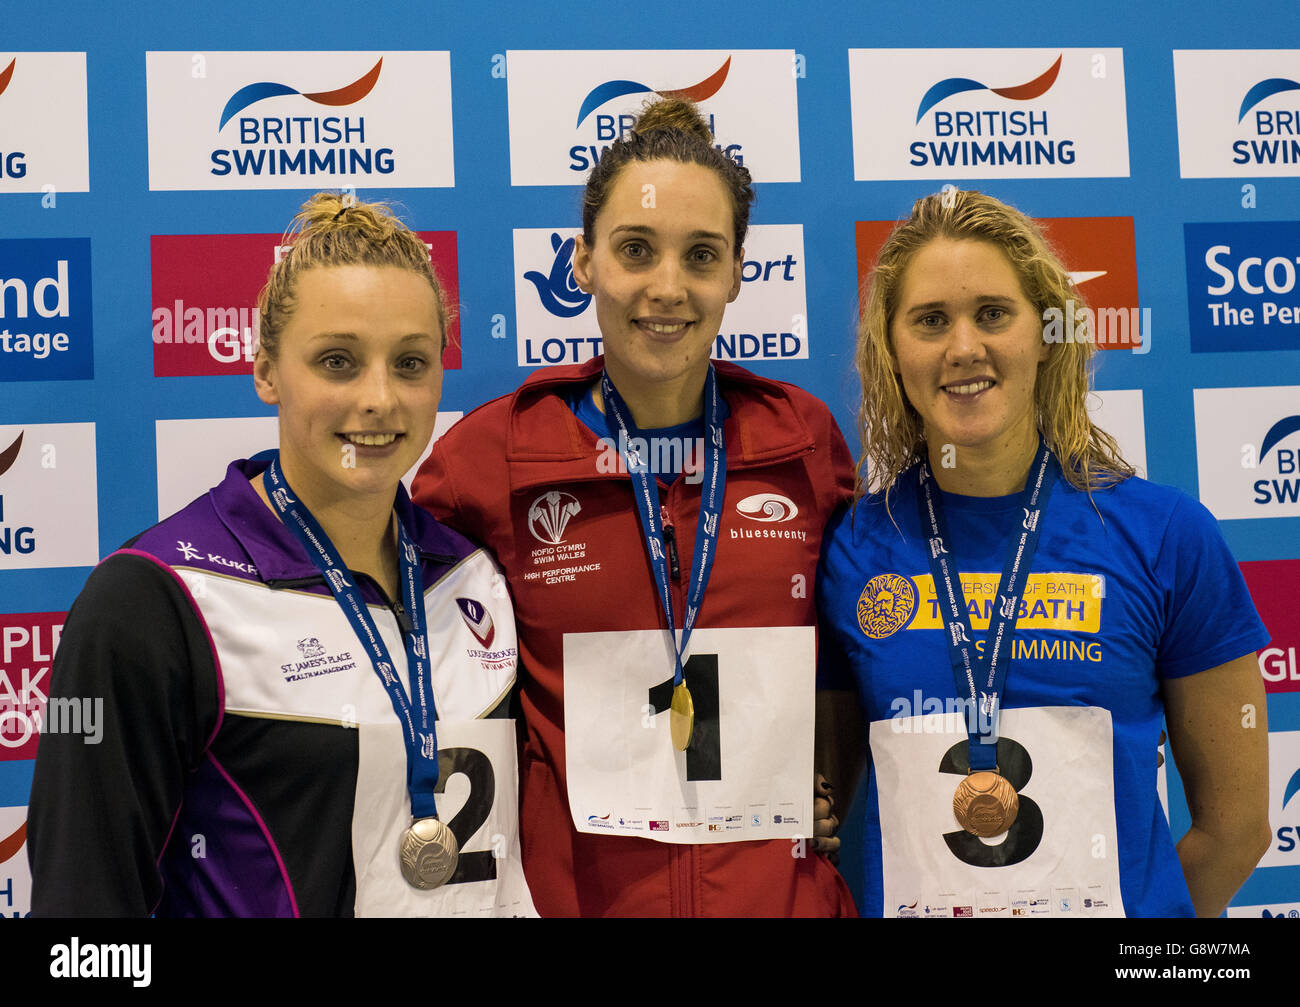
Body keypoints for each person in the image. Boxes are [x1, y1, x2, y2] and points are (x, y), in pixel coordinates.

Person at [28, 193, 534, 917]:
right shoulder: (152, 600)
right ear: (265, 370)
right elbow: (81, 929)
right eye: (338, 361)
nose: (380, 398)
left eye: (412, 362)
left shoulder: (470, 579)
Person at [413, 99, 857, 916]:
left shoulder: (804, 444)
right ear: (581, 262)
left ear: (737, 270)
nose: (667, 288)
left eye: (701, 256)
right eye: (636, 250)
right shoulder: (491, 457)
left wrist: (833, 780)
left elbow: (857, 647)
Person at [816, 189, 1271, 918]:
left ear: (1046, 334)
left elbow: (1236, 828)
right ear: (893, 353)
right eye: (930, 321)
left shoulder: (1166, 534)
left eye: (993, 313)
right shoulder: (853, 547)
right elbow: (825, 812)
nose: (964, 347)